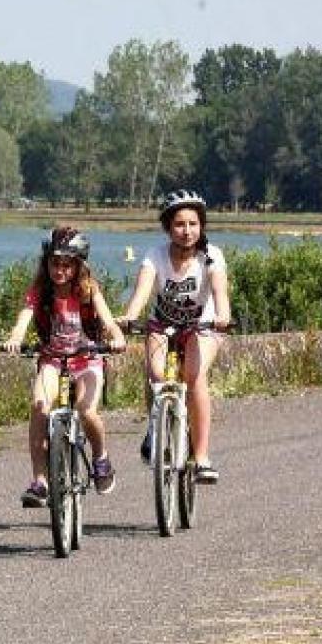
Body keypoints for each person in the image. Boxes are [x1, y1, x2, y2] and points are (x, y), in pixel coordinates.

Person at [0, 226, 126, 508]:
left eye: (67, 264)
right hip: (53, 359)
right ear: (46, 264)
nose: (60, 270)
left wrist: (117, 337)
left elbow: (107, 319)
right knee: (39, 407)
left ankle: (101, 458)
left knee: (87, 411)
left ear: (78, 265)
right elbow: (25, 317)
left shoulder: (88, 290)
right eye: (54, 263)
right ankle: (40, 481)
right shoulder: (40, 292)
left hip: (88, 358)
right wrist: (16, 337)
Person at [119, 190, 234, 482]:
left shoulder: (211, 255)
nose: (187, 231)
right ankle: (156, 426)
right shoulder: (155, 255)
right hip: (162, 324)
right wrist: (130, 316)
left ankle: (202, 456)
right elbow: (143, 290)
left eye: (193, 224)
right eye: (179, 224)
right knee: (157, 375)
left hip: (203, 326)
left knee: (194, 376)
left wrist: (223, 316)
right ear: (168, 227)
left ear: (202, 226)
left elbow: (220, 289)